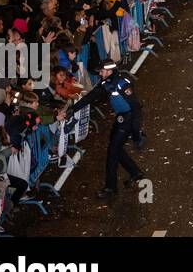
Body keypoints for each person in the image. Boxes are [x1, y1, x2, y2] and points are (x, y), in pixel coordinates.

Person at [61, 60, 145, 199]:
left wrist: (136, 134)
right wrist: (72, 110)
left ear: (109, 71)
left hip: (128, 119)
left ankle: (111, 188)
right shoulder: (106, 83)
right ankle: (135, 173)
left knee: (113, 151)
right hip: (122, 118)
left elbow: (136, 107)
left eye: (101, 71)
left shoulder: (121, 84)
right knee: (115, 148)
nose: (99, 74)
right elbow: (90, 97)